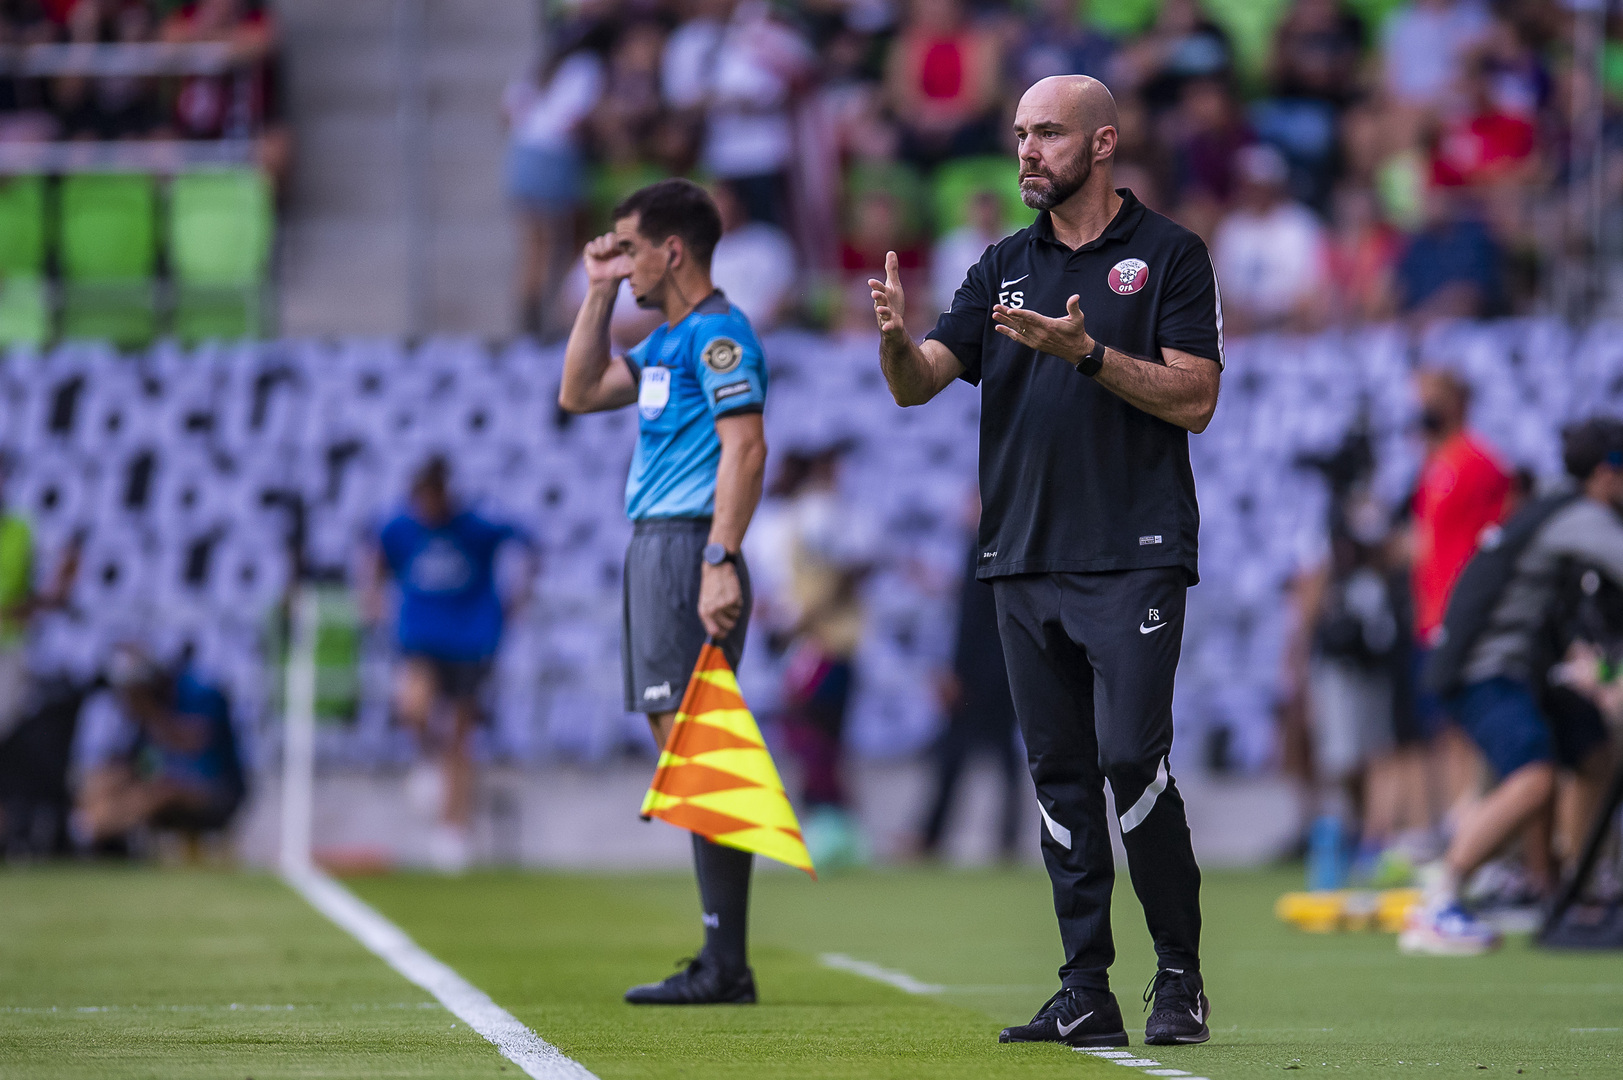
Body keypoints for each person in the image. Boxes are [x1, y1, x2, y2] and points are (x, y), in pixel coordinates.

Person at [870, 75, 1222, 1048]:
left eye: (1049, 133)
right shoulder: (1001, 266)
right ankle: (1084, 987)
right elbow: (918, 383)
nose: (1026, 150)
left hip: (1135, 552)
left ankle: (1180, 977)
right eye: (1020, 133)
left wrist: (1088, 355)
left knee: (1130, 759)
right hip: (1020, 556)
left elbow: (1196, 398)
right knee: (1059, 774)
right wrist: (895, 342)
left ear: (1102, 143)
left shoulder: (1169, 255)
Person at [559, 178, 769, 1005]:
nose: (622, 262)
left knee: (696, 747)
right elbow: (578, 393)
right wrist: (598, 291)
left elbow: (745, 448)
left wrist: (719, 557)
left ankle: (725, 965)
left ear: (671, 250)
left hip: (688, 546)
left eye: (629, 249)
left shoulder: (717, 336)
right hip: (657, 547)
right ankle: (724, 959)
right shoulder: (666, 341)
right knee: (686, 746)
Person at [1403, 418, 1623, 955]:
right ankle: (1439, 900)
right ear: (1606, 474)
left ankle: (1568, 890)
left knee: (1591, 752)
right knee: (1534, 779)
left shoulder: (1552, 507)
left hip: (1511, 670)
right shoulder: (1581, 515)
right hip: (1485, 670)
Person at [366, 456, 536, 874]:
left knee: (461, 738)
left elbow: (527, 544)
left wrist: (519, 598)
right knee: (413, 708)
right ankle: (427, 761)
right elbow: (376, 556)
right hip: (421, 638)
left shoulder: (476, 526)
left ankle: (453, 831)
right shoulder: (400, 527)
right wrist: (374, 597)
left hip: (471, 641)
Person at [916, 498, 1023, 861]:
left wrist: (957, 673)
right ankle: (1007, 838)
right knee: (1001, 756)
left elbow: (971, 623)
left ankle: (932, 836)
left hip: (978, 676)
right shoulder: (1004, 547)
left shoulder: (979, 547)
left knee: (956, 754)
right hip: (1005, 668)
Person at [71, 644, 246, 852]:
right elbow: (141, 764)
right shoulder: (143, 710)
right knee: (106, 779)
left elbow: (194, 742)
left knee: (160, 790)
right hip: (167, 781)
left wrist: (150, 712)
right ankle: (85, 827)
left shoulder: (201, 693)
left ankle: (88, 832)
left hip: (217, 790)